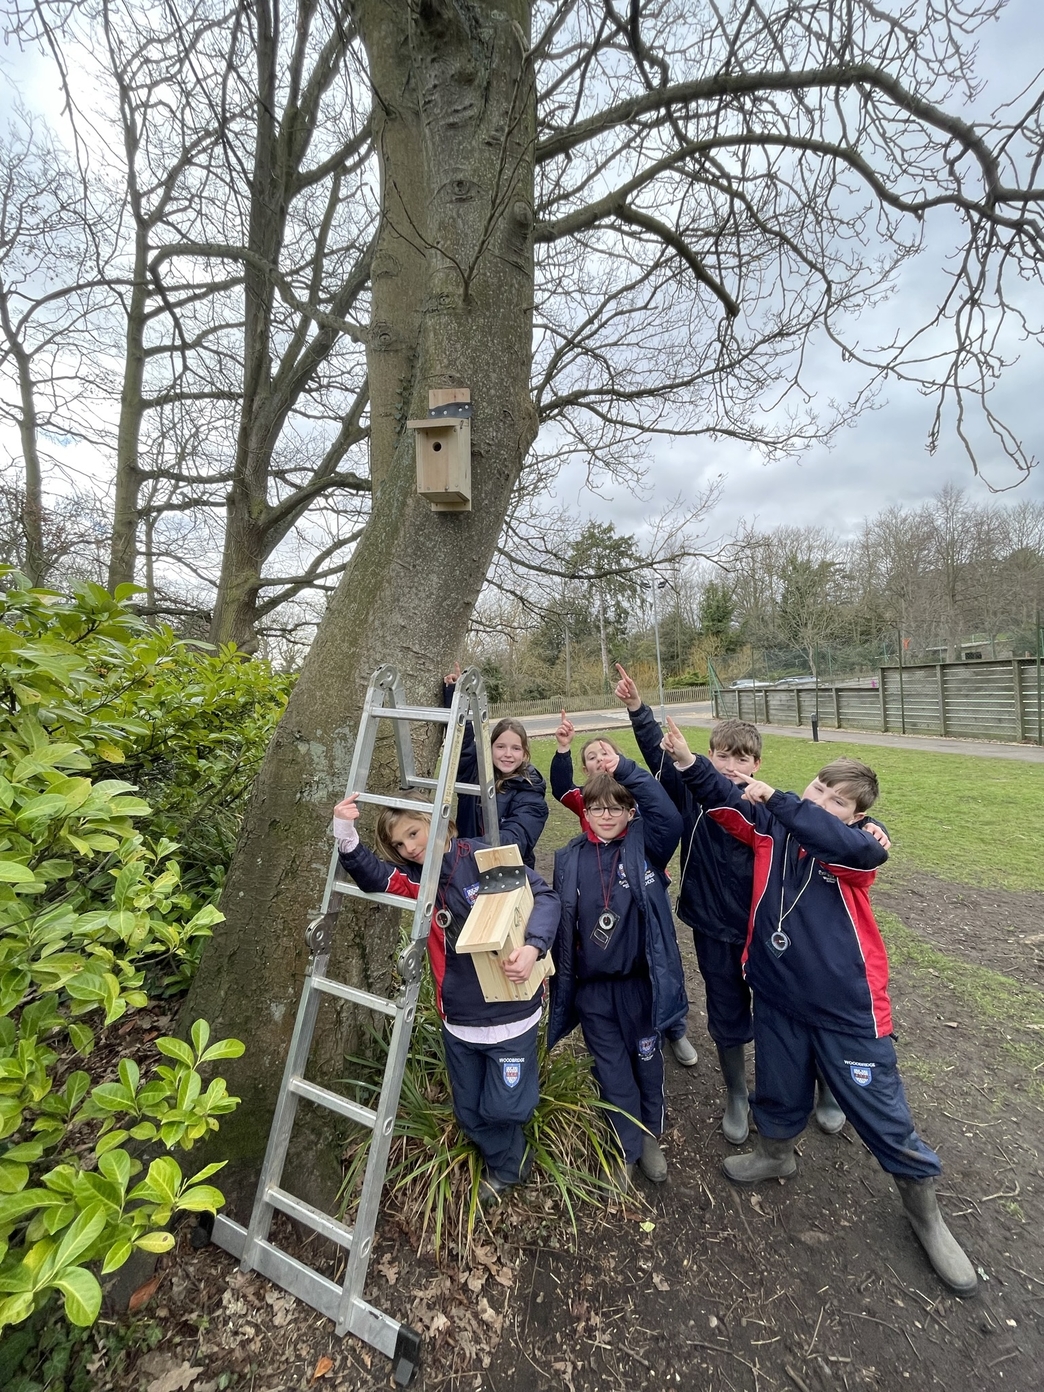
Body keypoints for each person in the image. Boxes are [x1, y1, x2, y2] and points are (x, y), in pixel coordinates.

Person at [658, 719, 977, 1297]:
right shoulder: (769, 829)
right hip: (779, 994)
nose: (822, 801)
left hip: (845, 1006)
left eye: (838, 800)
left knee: (880, 1105)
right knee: (778, 1085)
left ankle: (925, 1210)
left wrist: (785, 800)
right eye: (818, 788)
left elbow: (851, 849)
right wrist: (685, 758)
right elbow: (720, 798)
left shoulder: (858, 845)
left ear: (857, 815)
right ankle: (776, 1152)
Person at [611, 664, 847, 1141]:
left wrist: (868, 826)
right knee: (726, 1008)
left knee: (791, 1008)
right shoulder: (692, 791)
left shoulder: (766, 805)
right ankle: (737, 1094)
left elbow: (832, 826)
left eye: (740, 758)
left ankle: (823, 1085)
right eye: (720, 756)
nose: (729, 765)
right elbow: (666, 756)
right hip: (710, 921)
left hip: (767, 930)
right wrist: (638, 709)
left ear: (757, 763)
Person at [332, 791, 559, 1203]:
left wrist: (533, 947)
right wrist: (346, 834)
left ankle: (510, 1157)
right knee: (469, 1113)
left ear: (443, 822)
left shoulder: (482, 859)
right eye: (400, 844)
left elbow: (543, 896)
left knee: (506, 1108)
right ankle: (509, 1166)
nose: (411, 848)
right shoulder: (422, 883)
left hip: (511, 1014)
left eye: (414, 833)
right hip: (460, 1021)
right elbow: (377, 878)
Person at [547, 760, 687, 1188]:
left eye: (616, 808)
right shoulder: (568, 858)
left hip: (640, 986)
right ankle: (626, 1144)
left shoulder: (646, 847)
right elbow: (559, 920)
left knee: (646, 1060)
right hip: (592, 990)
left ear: (630, 812)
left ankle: (648, 1136)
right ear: (584, 812)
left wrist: (626, 769)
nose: (605, 816)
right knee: (610, 1066)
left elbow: (670, 817)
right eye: (596, 808)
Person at [550, 713, 699, 1070]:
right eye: (591, 757)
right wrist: (563, 749)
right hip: (599, 883)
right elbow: (559, 787)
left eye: (605, 753)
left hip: (642, 884)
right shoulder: (583, 797)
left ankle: (675, 1028)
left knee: (657, 954)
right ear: (586, 771)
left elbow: (663, 821)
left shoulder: (634, 794)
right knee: (609, 950)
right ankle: (609, 1028)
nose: (599, 759)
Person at [444, 663, 548, 867]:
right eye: (500, 746)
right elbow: (462, 739)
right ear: (489, 749)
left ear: (525, 753)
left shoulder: (531, 791)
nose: (508, 754)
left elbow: (516, 838)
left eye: (516, 749)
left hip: (507, 874)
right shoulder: (474, 772)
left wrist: (458, 849)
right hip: (465, 868)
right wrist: (455, 695)